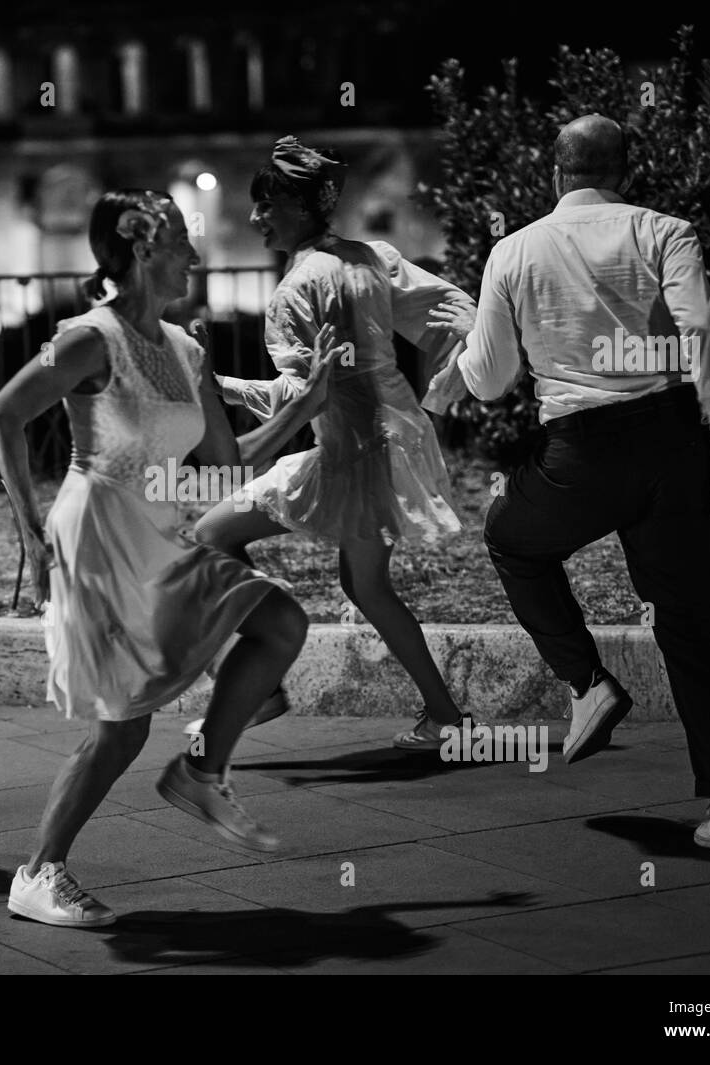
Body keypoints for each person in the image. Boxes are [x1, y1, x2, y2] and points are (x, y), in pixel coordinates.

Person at [0, 189, 342, 928]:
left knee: (279, 621)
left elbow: (224, 464)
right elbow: (0, 417)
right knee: (122, 727)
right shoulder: (88, 339)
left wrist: (305, 407)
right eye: (181, 240)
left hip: (165, 532)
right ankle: (39, 872)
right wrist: (29, 533)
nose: (195, 255)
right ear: (143, 250)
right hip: (100, 537)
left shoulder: (187, 349)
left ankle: (202, 769)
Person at [422, 114, 710, 853]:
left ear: (556, 175)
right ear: (627, 173)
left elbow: (490, 379)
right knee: (692, 626)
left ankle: (588, 683)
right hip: (672, 443)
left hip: (580, 453)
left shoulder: (515, 249)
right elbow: (704, 329)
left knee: (511, 538)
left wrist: (470, 340)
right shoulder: (666, 231)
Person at [190, 135, 473, 751]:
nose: (256, 218)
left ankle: (263, 679)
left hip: (356, 451)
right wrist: (448, 383)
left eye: (266, 205)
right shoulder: (370, 257)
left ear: (300, 206)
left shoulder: (296, 290)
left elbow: (304, 397)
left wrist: (220, 388)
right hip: (395, 437)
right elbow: (453, 308)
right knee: (365, 586)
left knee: (211, 537)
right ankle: (446, 717)